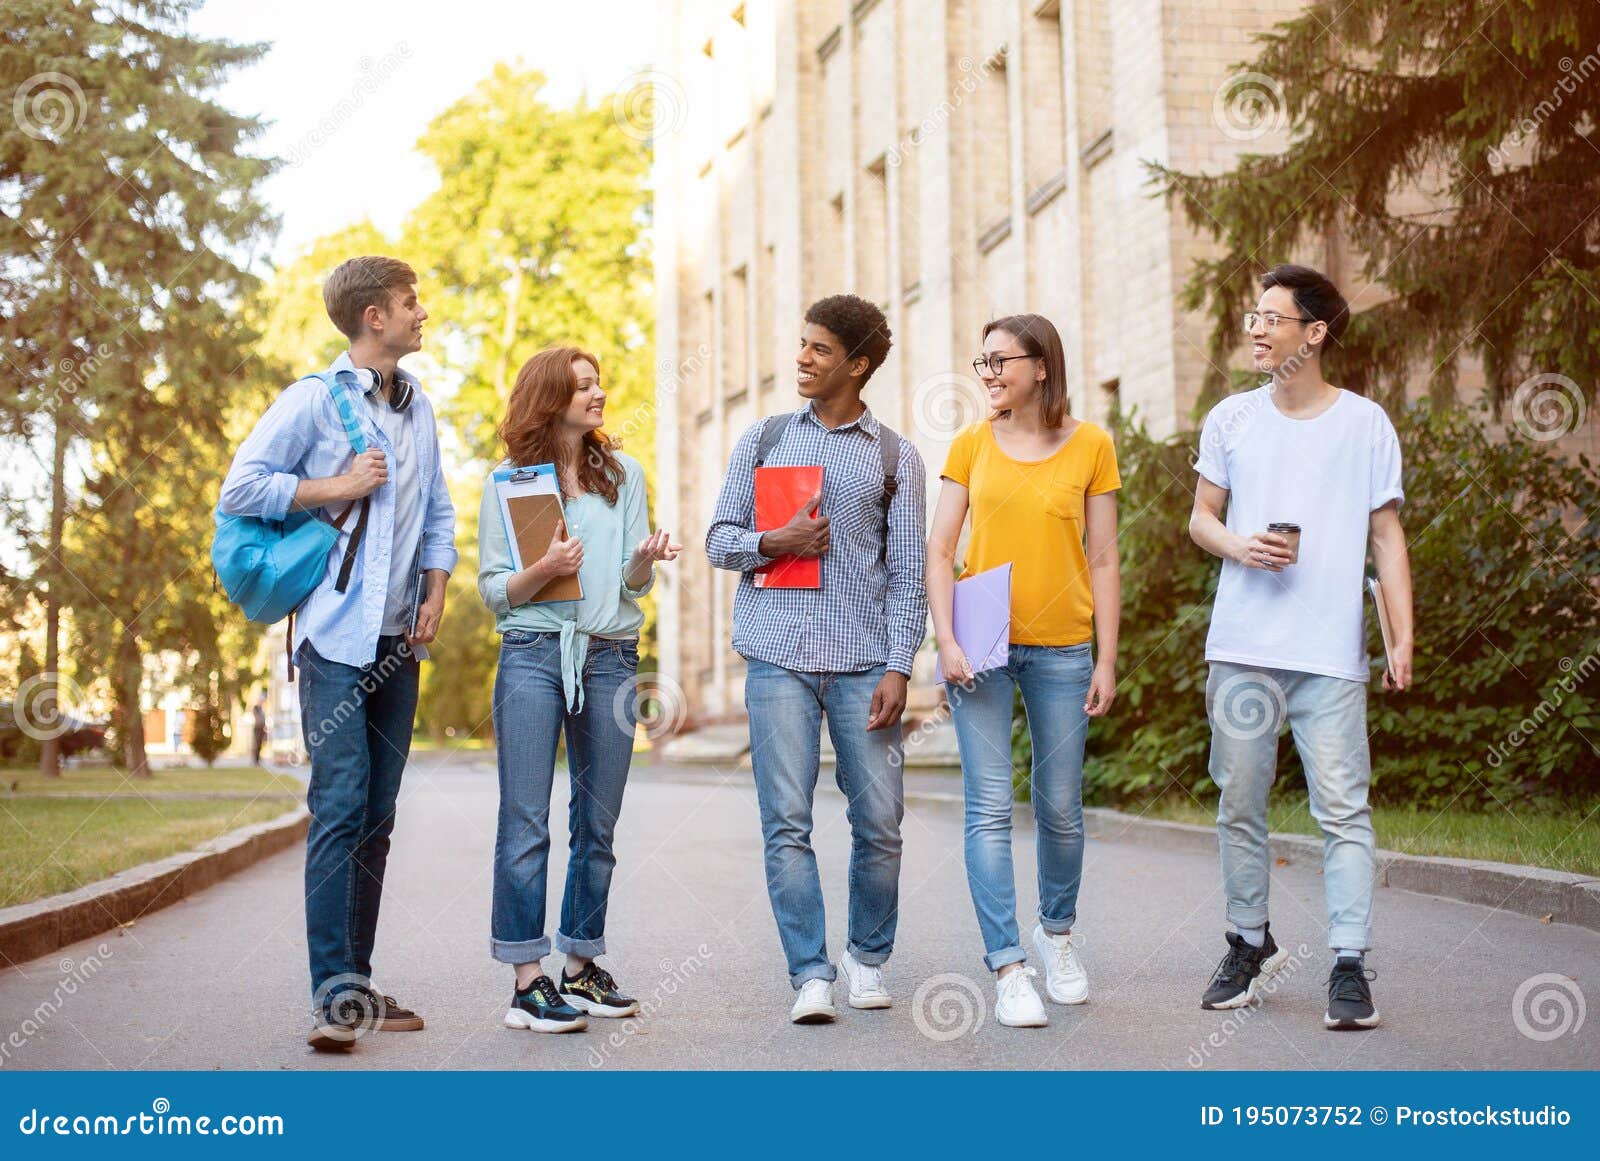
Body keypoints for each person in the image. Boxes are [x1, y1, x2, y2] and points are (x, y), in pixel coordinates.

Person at [220, 256, 457, 1052]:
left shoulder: (418, 405)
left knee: (379, 818)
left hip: (399, 641)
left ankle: (354, 981)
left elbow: (439, 512)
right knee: (342, 803)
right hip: (335, 638)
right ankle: (331, 995)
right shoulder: (312, 401)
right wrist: (336, 486)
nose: (421, 312)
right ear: (373, 318)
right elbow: (241, 487)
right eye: (408, 302)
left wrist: (436, 587)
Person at [1189, 263, 1414, 1031]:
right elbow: (1200, 518)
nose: (1255, 328)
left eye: (1272, 317)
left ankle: (1349, 962)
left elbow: (1386, 533)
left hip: (1328, 655)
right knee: (1239, 799)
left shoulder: (1365, 423)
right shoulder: (1231, 419)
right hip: (1244, 647)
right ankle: (1248, 941)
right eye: (1252, 315)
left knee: (1344, 809)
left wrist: (1401, 635)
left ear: (1313, 333)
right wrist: (1240, 546)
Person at [706, 294, 927, 1025]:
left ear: (858, 365)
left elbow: (908, 575)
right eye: (802, 344)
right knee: (786, 821)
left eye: (821, 350)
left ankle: (866, 958)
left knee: (881, 822)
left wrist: (899, 665)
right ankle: (810, 971)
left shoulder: (896, 457)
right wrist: (776, 543)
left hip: (866, 662)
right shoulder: (764, 438)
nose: (803, 358)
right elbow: (719, 539)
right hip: (777, 661)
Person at [478, 346, 680, 1034]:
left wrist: (643, 561)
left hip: (610, 659)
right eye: (584, 385)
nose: (598, 394)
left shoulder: (624, 475)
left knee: (597, 823)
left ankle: (581, 964)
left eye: (599, 383)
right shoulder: (510, 482)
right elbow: (495, 593)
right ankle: (527, 980)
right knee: (525, 820)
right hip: (533, 656)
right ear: (551, 396)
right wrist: (545, 568)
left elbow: (630, 586)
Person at [927, 313, 1121, 1028]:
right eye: (982, 362)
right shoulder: (972, 443)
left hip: (1065, 647)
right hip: (979, 641)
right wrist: (945, 639)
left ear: (1042, 365)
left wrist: (1107, 655)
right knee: (987, 806)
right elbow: (941, 546)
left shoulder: (1092, 444)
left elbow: (1103, 556)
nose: (988, 373)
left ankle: (1057, 935)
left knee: (1062, 807)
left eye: (999, 360)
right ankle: (1008, 965)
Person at [250, 691, 267, 767]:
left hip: (262, 728)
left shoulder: (262, 709)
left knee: (260, 745)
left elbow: (263, 718)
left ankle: (258, 760)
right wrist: (261, 722)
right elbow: (257, 718)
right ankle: (255, 761)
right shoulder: (256, 708)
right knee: (256, 744)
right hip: (257, 728)